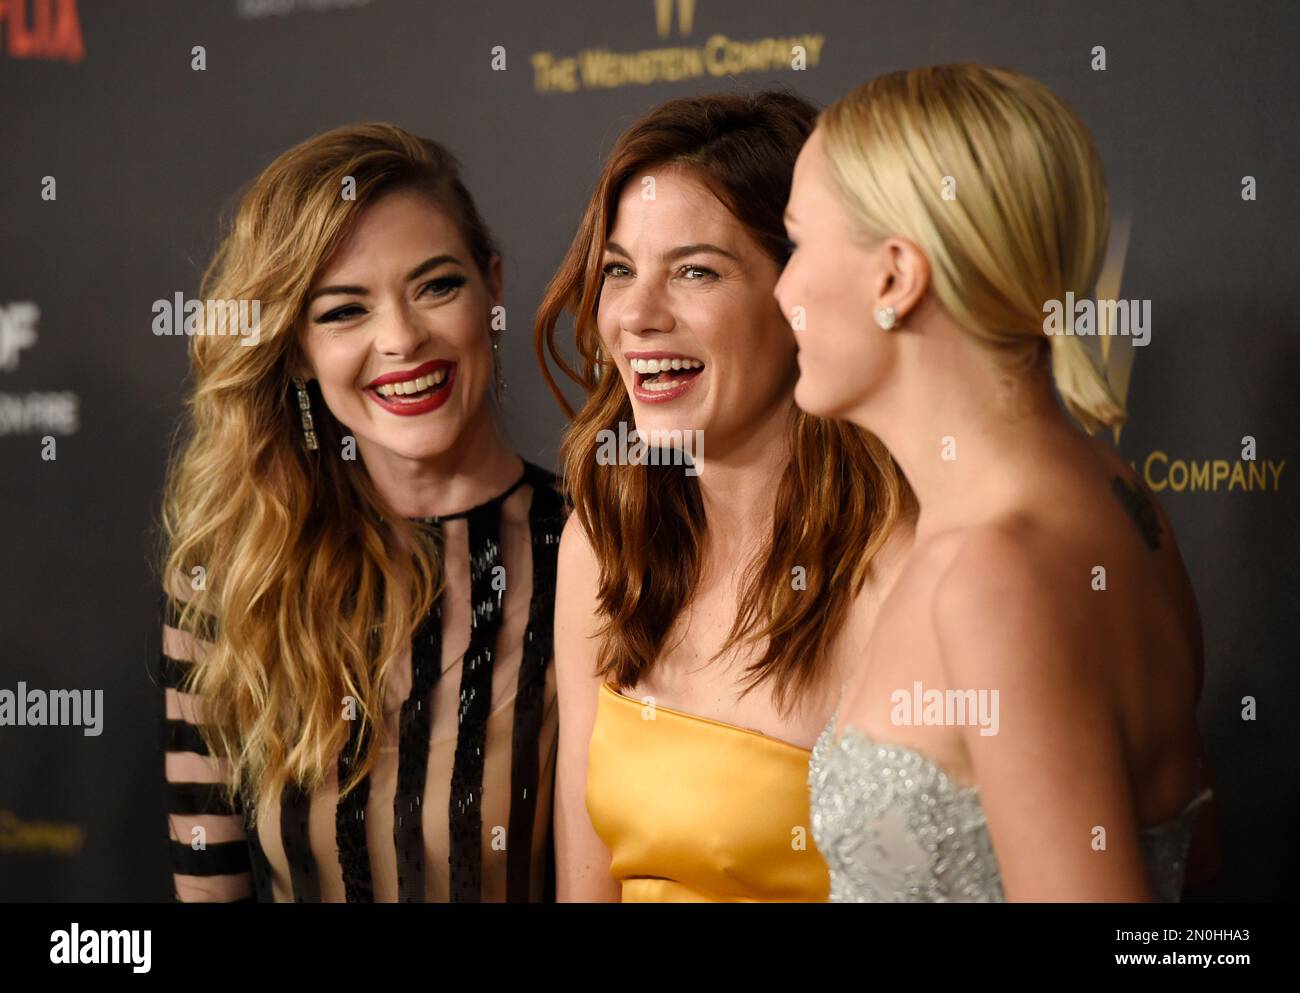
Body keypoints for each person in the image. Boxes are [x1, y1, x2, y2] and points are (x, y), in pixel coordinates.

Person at [777, 64, 1214, 901]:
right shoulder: (1116, 496)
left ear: (895, 278)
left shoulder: (994, 573)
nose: (781, 287)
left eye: (796, 243)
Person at [156, 123, 565, 902]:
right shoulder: (230, 581)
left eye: (437, 286)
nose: (403, 339)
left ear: (494, 288)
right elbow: (210, 889)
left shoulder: (595, 555)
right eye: (345, 311)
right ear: (297, 349)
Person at [535, 91, 914, 902]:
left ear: (801, 293)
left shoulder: (909, 568)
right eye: (619, 271)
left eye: (695, 271)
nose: (636, 315)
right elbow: (586, 886)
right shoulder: (605, 546)